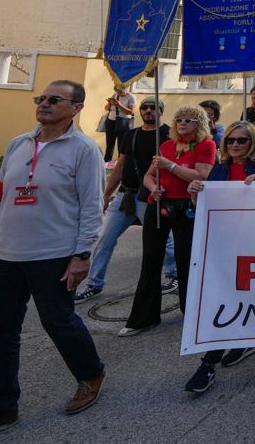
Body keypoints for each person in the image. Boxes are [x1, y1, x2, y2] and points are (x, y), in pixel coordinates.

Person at [0, 81, 107, 444]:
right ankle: (0, 410)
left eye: (55, 99)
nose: (45, 104)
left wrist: (83, 254)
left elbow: (91, 206)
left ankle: (91, 374)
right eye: (41, 98)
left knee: (59, 321)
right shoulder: (19, 144)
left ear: (75, 108)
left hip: (53, 254)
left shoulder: (84, 150)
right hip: (7, 254)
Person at [180, 122, 255, 394]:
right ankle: (209, 363)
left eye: (242, 140)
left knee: (247, 296)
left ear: (253, 143)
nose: (235, 145)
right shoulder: (220, 169)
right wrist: (195, 196)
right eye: (231, 140)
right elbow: (203, 209)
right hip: (224, 245)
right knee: (222, 301)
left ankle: (244, 339)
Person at [119, 106, 215, 336]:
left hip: (186, 208)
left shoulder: (206, 145)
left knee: (186, 260)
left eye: (189, 120)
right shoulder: (166, 146)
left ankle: (191, 313)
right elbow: (148, 176)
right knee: (151, 260)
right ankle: (144, 318)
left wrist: (171, 166)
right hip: (159, 205)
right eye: (179, 119)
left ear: (199, 123)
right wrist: (155, 187)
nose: (182, 123)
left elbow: (202, 176)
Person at [76, 98, 178, 301]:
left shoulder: (169, 135)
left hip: (149, 196)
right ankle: (94, 284)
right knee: (105, 240)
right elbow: (120, 166)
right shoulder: (132, 134)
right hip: (125, 195)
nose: (148, 111)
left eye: (153, 108)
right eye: (144, 108)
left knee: (161, 239)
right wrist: (106, 195)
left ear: (161, 111)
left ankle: (173, 274)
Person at [102, 86, 135, 161]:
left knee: (121, 144)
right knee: (109, 143)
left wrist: (119, 105)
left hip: (123, 121)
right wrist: (109, 103)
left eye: (120, 92)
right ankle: (107, 161)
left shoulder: (131, 97)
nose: (119, 94)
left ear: (126, 89)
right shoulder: (115, 95)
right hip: (111, 121)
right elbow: (106, 108)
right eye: (117, 92)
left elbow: (131, 112)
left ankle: (120, 163)